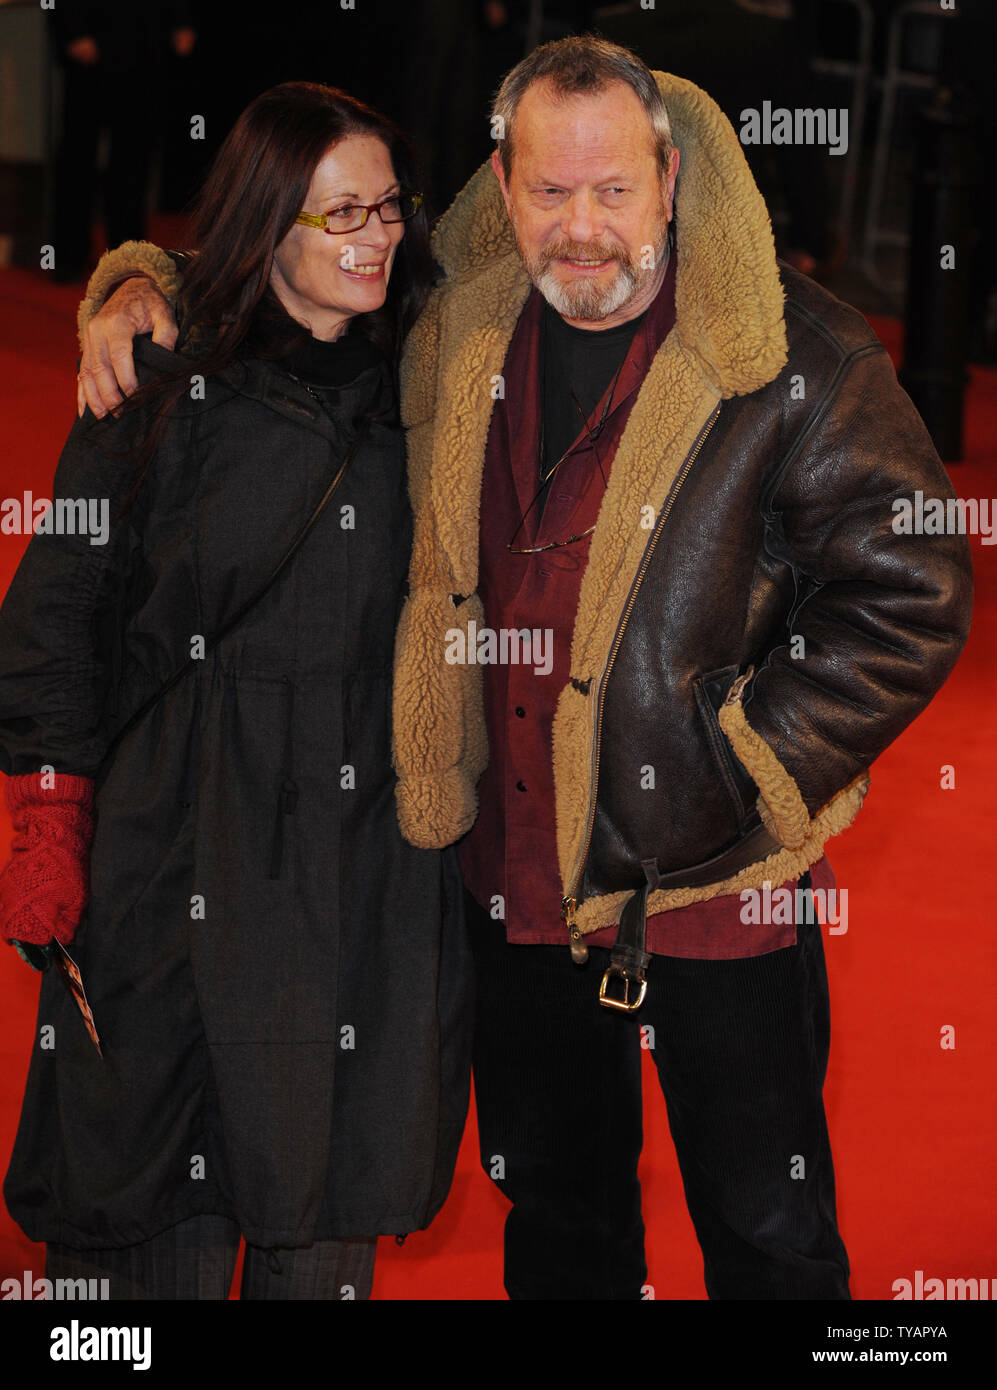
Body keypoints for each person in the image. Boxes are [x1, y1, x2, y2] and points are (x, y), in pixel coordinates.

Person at [73, 38, 973, 1301]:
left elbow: (915, 581)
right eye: (550, 192)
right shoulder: (462, 309)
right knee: (559, 1228)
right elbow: (297, 254)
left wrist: (747, 756)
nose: (583, 228)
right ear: (503, 187)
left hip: (715, 887)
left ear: (668, 177)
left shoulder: (794, 351)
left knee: (767, 1237)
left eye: (613, 191)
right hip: (517, 887)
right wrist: (135, 281)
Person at [0, 81, 471, 1301]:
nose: (371, 236)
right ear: (266, 229)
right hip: (174, 833)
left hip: (359, 856)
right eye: (335, 217)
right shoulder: (159, 383)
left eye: (383, 207)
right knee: (143, 1191)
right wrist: (49, 814)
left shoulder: (434, 374)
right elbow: (59, 610)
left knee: (323, 1176)